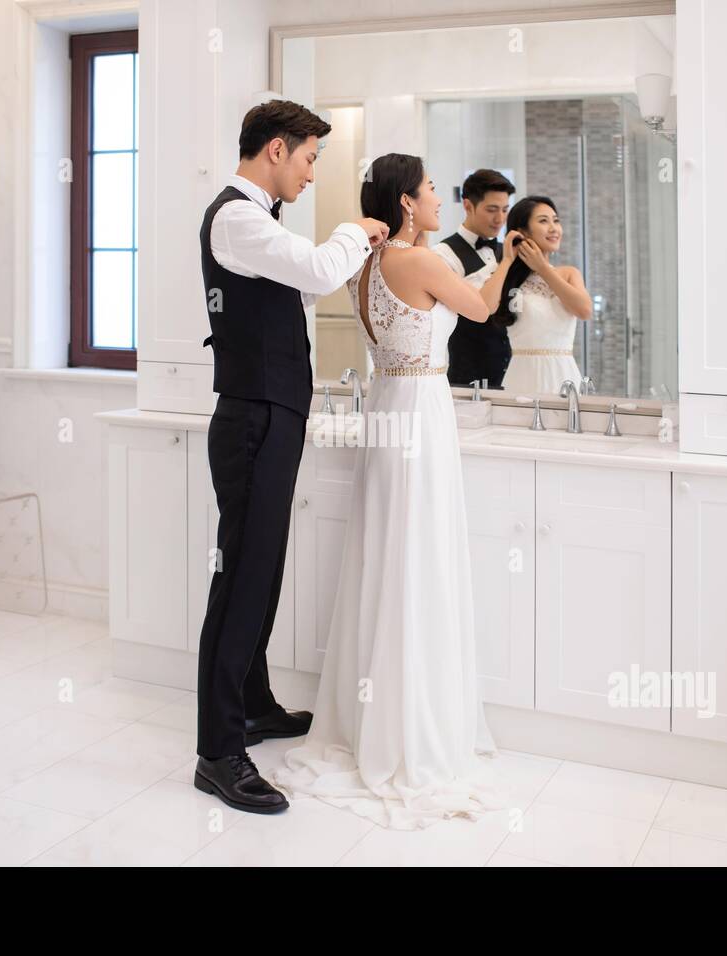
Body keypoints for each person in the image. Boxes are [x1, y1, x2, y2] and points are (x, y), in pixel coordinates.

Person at [271, 154, 509, 830]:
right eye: (433, 189)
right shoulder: (422, 262)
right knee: (420, 557)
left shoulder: (370, 263)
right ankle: (414, 731)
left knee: (387, 554)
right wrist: (506, 257)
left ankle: (377, 715)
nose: (441, 197)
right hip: (421, 412)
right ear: (408, 202)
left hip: (388, 405)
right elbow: (485, 310)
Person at [194, 99, 389, 814]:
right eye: (309, 159)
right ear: (276, 150)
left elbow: (295, 290)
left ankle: (253, 702)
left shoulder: (258, 223)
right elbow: (314, 273)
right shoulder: (237, 217)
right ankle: (218, 751)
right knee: (242, 577)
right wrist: (353, 231)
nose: (311, 174)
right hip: (251, 421)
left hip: (272, 418)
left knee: (262, 571)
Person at [480, 195, 593, 397]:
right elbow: (484, 308)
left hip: (564, 378)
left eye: (556, 221)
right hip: (521, 377)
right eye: (543, 221)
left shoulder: (569, 273)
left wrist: (542, 268)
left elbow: (584, 311)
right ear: (522, 232)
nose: (553, 228)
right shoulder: (503, 273)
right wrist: (506, 261)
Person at [433, 169, 517, 389]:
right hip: (466, 380)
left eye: (505, 210)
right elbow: (478, 307)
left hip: (512, 378)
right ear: (468, 206)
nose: (500, 219)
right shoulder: (444, 254)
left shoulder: (505, 251)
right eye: (491, 210)